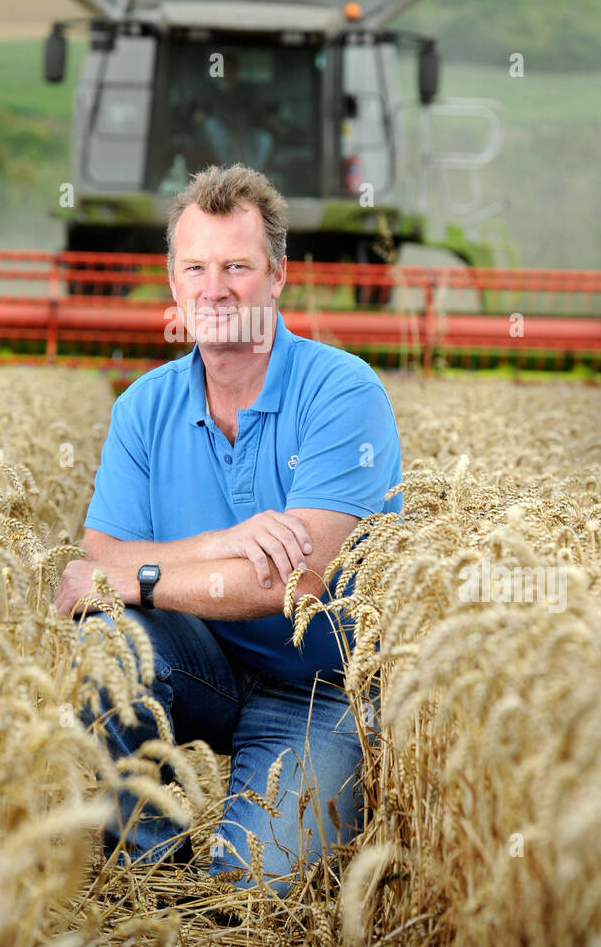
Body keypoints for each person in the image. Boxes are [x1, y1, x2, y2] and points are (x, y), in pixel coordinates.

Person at [53, 164, 403, 897]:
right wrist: (222, 541)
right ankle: (145, 871)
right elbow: (99, 563)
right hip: (203, 659)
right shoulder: (143, 407)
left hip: (319, 689)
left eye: (237, 267)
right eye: (196, 267)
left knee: (258, 902)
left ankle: (234, 875)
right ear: (174, 282)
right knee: (108, 638)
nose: (215, 288)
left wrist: (138, 575)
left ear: (278, 276)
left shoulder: (343, 392)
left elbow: (292, 583)